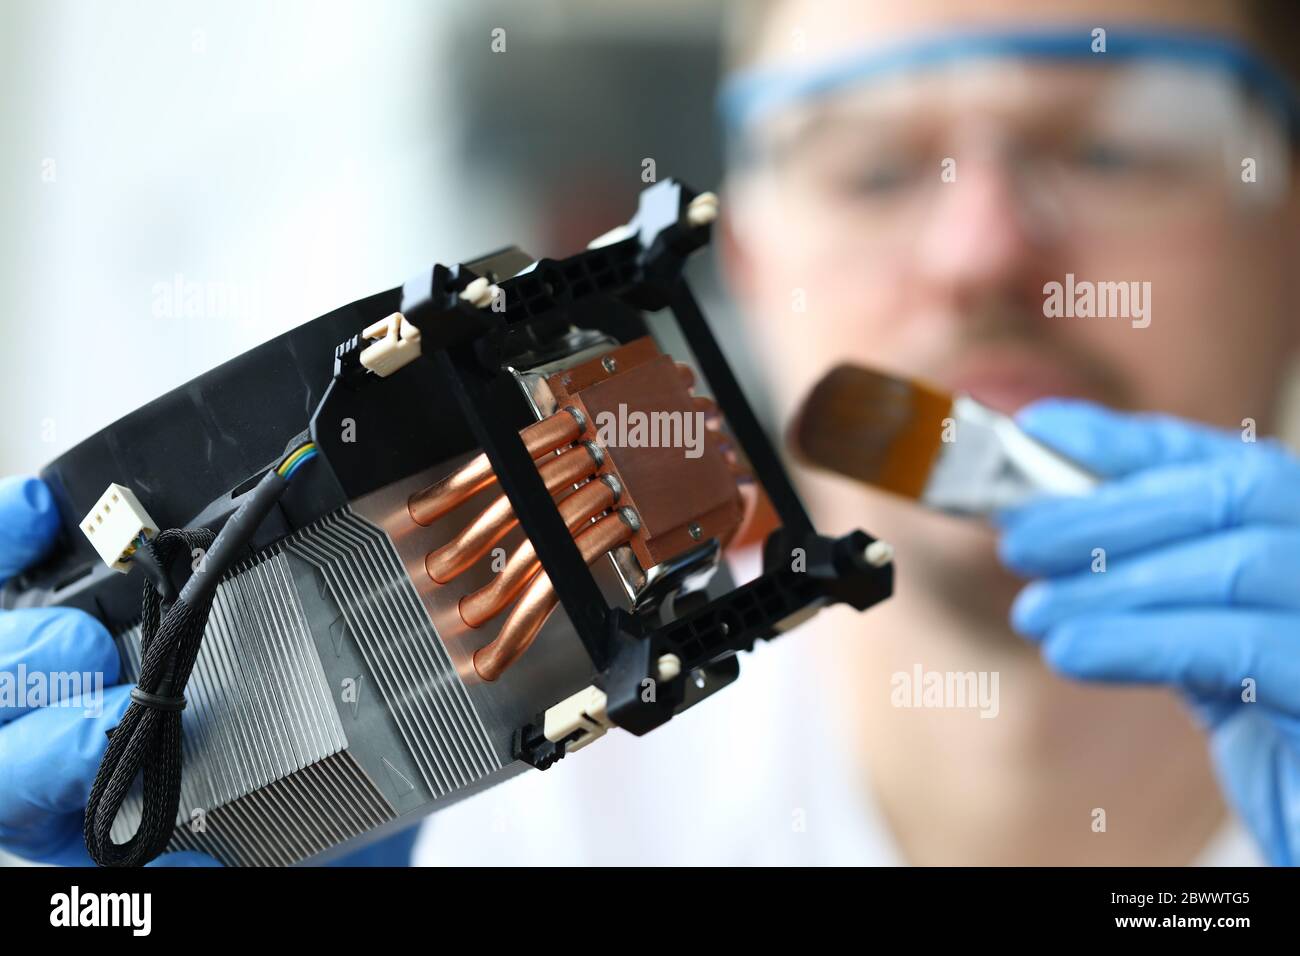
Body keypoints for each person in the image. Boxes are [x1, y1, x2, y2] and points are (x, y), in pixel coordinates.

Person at [2, 0, 1298, 867]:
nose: (982, 251)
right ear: (752, 259)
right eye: (874, 168)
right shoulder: (527, 833)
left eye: (1114, 150)